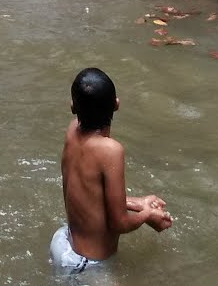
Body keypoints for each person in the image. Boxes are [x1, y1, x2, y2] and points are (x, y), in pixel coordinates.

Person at [49, 66, 172, 273]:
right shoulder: (111, 150)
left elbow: (91, 197)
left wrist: (138, 203)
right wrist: (148, 215)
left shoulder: (71, 132)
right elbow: (119, 223)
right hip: (85, 265)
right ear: (116, 105)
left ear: (73, 107)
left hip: (63, 242)